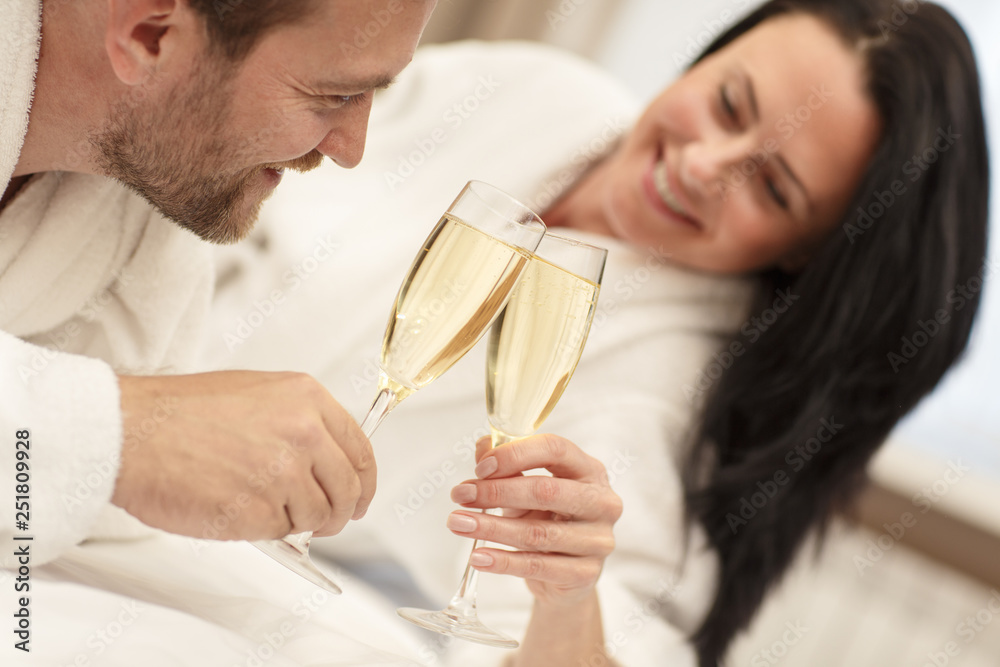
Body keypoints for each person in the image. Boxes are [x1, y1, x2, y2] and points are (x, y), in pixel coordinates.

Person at [207, 0, 989, 664]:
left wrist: (568, 596)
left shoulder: (671, 393)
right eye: (727, 104)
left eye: (775, 187)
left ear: (803, 251)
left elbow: (602, 638)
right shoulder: (545, 96)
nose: (706, 166)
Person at [0, 0, 436, 570]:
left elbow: (92, 525)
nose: (350, 150)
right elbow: (109, 472)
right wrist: (121, 433)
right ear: (149, 32)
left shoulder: (144, 203)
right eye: (333, 96)